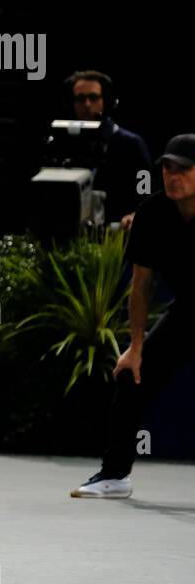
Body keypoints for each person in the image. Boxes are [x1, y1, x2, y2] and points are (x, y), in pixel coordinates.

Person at [72, 135, 195, 498]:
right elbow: (140, 286)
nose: (173, 176)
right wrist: (136, 348)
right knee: (131, 376)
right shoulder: (152, 214)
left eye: (184, 170)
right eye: (167, 168)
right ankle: (115, 475)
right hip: (188, 310)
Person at [65, 71, 150, 229]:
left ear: (107, 101)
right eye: (80, 99)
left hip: (117, 233)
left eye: (94, 97)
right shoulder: (64, 144)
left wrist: (136, 213)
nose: (87, 104)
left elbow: (146, 190)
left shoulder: (132, 144)